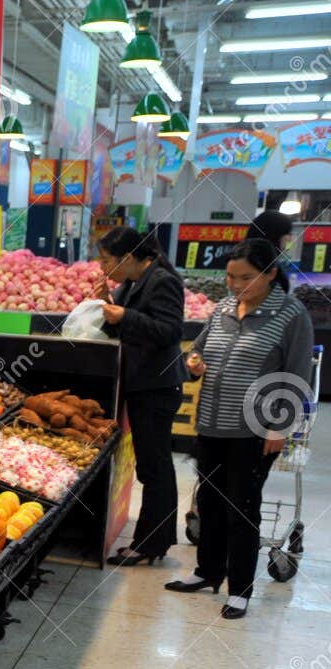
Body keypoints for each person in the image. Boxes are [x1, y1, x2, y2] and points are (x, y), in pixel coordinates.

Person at [169, 238, 314, 619]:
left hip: (254, 430)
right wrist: (194, 363)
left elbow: (297, 374)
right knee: (211, 503)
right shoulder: (224, 308)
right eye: (231, 276)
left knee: (242, 508)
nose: (235, 284)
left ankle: (241, 588)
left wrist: (279, 427)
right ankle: (207, 571)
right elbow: (196, 351)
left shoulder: (291, 314)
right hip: (212, 423)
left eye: (245, 277)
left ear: (269, 274)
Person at [96, 225, 186, 565]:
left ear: (129, 257)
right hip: (140, 383)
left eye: (107, 260)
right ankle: (152, 541)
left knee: (155, 466)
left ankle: (151, 544)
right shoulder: (132, 282)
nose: (103, 266)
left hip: (157, 386)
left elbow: (169, 331)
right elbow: (119, 325)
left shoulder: (162, 281)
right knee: (150, 465)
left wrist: (126, 315)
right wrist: (105, 303)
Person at [248, 210, 296, 292]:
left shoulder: (248, 259)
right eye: (288, 234)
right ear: (275, 235)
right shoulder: (265, 267)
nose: (290, 239)